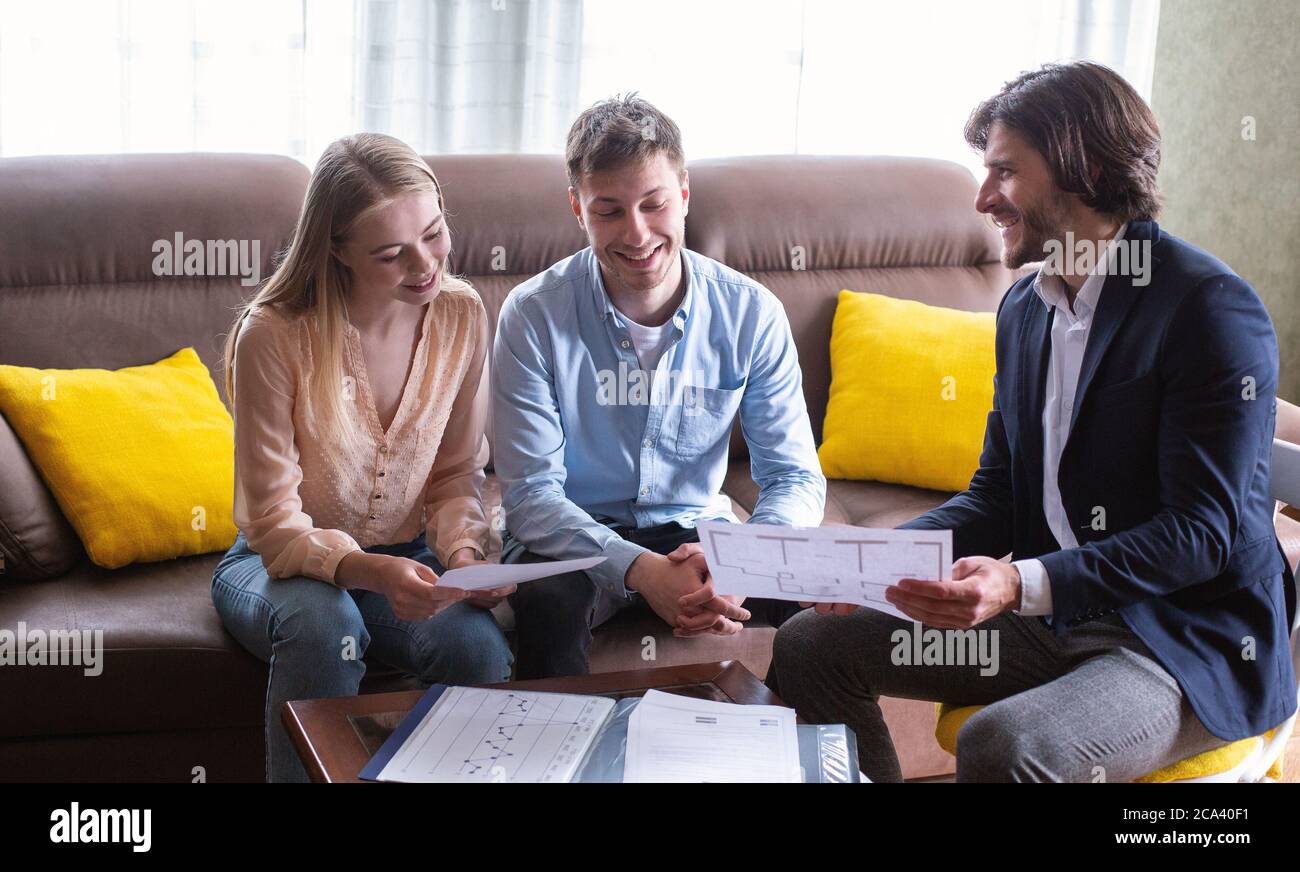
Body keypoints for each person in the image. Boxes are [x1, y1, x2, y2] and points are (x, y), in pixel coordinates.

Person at [771, 62, 1297, 783]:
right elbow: (996, 495)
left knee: (1003, 743)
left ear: (1087, 167)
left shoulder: (1206, 309)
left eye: (1005, 172)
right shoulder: (1025, 309)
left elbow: (1200, 535)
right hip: (1058, 619)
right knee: (810, 646)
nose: (984, 197)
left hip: (1180, 641)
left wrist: (1020, 583)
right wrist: (872, 564)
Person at [492, 94, 826, 679]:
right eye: (610, 211)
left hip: (699, 526)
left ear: (685, 194)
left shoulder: (752, 312)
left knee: (824, 602)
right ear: (577, 208)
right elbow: (530, 497)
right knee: (549, 601)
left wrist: (741, 562)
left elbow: (794, 476)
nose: (637, 233)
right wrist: (641, 569)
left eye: (655, 204)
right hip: (574, 530)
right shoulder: (532, 314)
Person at [213, 133, 513, 782]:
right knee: (325, 626)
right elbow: (270, 521)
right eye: (391, 254)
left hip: (413, 556)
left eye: (434, 234)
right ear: (337, 251)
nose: (426, 265)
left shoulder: (462, 315)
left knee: (476, 649)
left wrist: (465, 559)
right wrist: (368, 571)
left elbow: (456, 475)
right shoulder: (273, 334)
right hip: (278, 566)